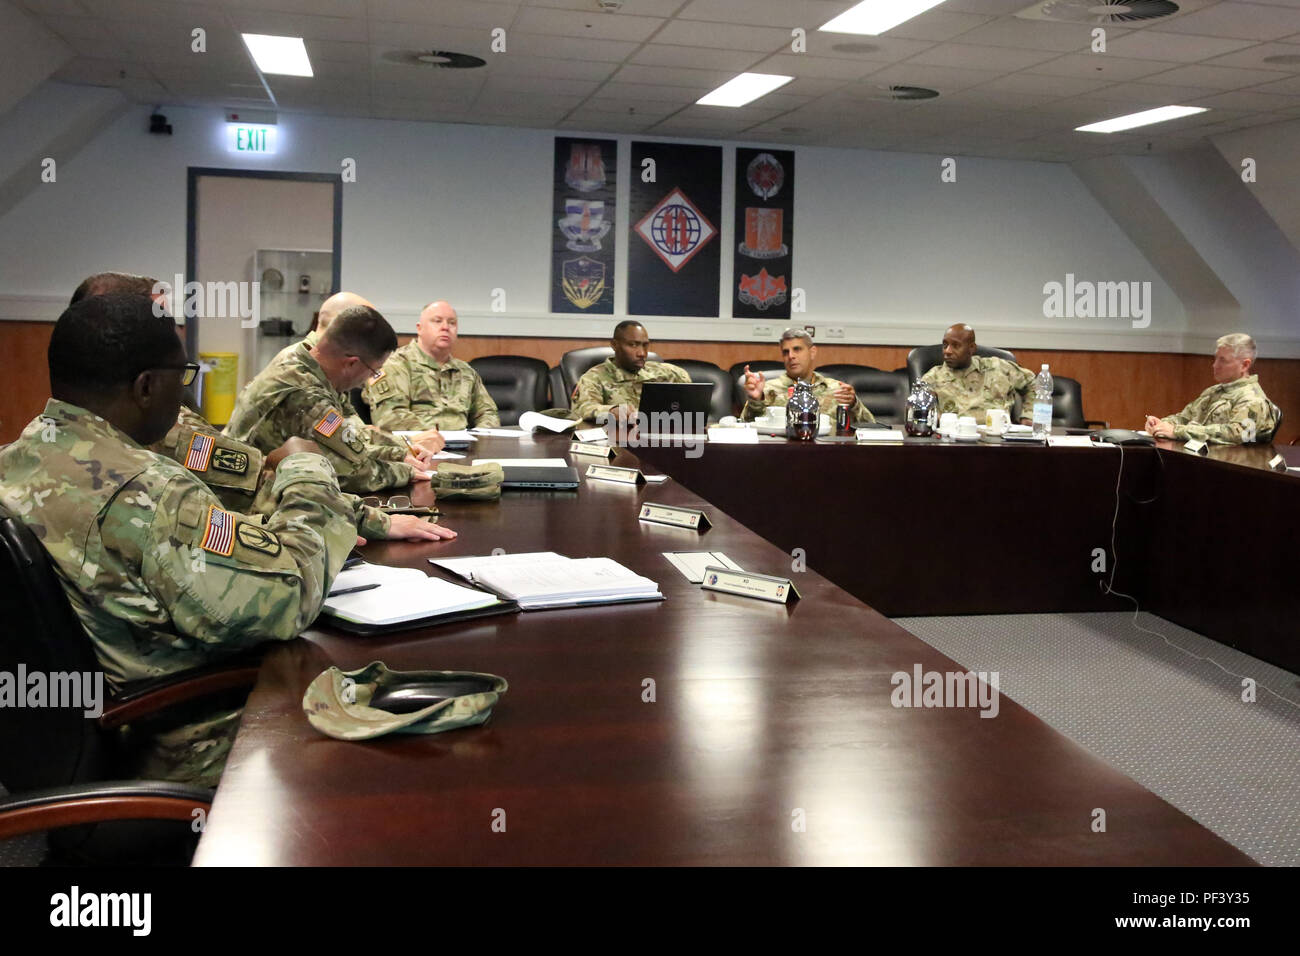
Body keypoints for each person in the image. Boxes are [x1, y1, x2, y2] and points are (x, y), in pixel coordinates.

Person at [0, 294, 356, 786]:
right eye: (183, 377)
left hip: (62, 744)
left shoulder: (15, 459)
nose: (185, 391)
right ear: (147, 385)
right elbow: (288, 596)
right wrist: (306, 466)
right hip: (172, 744)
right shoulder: (151, 492)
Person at [70, 273, 452, 544]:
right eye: (163, 321)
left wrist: (397, 454)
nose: (176, 334)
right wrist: (366, 517)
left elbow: (350, 436)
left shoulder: (53, 443)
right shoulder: (165, 427)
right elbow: (255, 492)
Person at [225, 305, 432, 494]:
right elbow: (348, 475)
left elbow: (350, 443)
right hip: (247, 496)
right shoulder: (306, 395)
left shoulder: (305, 360)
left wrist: (396, 454)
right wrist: (406, 472)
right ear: (351, 364)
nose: (368, 381)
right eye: (373, 371)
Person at [271, 290, 445, 458]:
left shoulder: (329, 367)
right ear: (342, 325)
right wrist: (405, 457)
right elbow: (344, 459)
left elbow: (353, 433)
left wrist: (406, 443)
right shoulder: (302, 371)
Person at [364, 300, 500, 430]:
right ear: (419, 328)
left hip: (465, 447)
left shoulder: (465, 371)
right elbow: (391, 418)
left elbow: (488, 413)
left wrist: (481, 439)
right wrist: (434, 439)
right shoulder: (395, 365)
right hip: (416, 448)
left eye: (452, 323)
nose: (445, 327)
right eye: (437, 321)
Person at [1145, 333, 1278, 444]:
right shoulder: (1213, 392)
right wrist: (1160, 425)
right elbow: (1185, 418)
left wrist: (1177, 431)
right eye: (1216, 359)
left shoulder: (1253, 399)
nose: (1215, 365)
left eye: (1223, 360)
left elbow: (1234, 434)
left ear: (1244, 365)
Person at [739, 328, 873, 424]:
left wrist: (854, 403)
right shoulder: (767, 390)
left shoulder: (837, 389)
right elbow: (745, 427)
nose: (791, 356)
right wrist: (755, 401)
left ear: (812, 352)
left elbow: (871, 426)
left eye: (797, 349)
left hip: (829, 454)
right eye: (786, 352)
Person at [570, 321, 691, 423]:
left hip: (660, 439)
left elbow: (693, 395)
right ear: (615, 345)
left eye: (645, 346)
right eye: (633, 345)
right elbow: (581, 411)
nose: (642, 353)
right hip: (618, 443)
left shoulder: (666, 373)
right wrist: (611, 411)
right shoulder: (594, 377)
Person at [920, 324, 1035, 424]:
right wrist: (937, 419)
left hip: (999, 439)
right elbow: (922, 409)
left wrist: (1029, 415)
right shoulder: (933, 377)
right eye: (945, 345)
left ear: (971, 348)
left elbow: (1035, 383)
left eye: (955, 346)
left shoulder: (998, 367)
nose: (947, 351)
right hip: (955, 442)